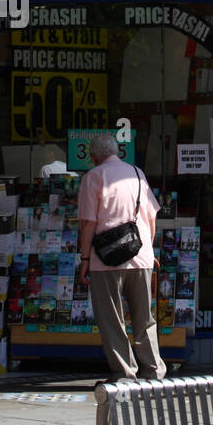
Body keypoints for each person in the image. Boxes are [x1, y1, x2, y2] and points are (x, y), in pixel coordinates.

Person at [77, 134, 166, 383]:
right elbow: (151, 217)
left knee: (111, 318)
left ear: (93, 155)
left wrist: (85, 259)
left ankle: (125, 371)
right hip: (141, 255)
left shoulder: (93, 177)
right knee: (144, 317)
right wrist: (149, 248)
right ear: (117, 152)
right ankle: (153, 370)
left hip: (106, 260)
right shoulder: (137, 174)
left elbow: (88, 223)